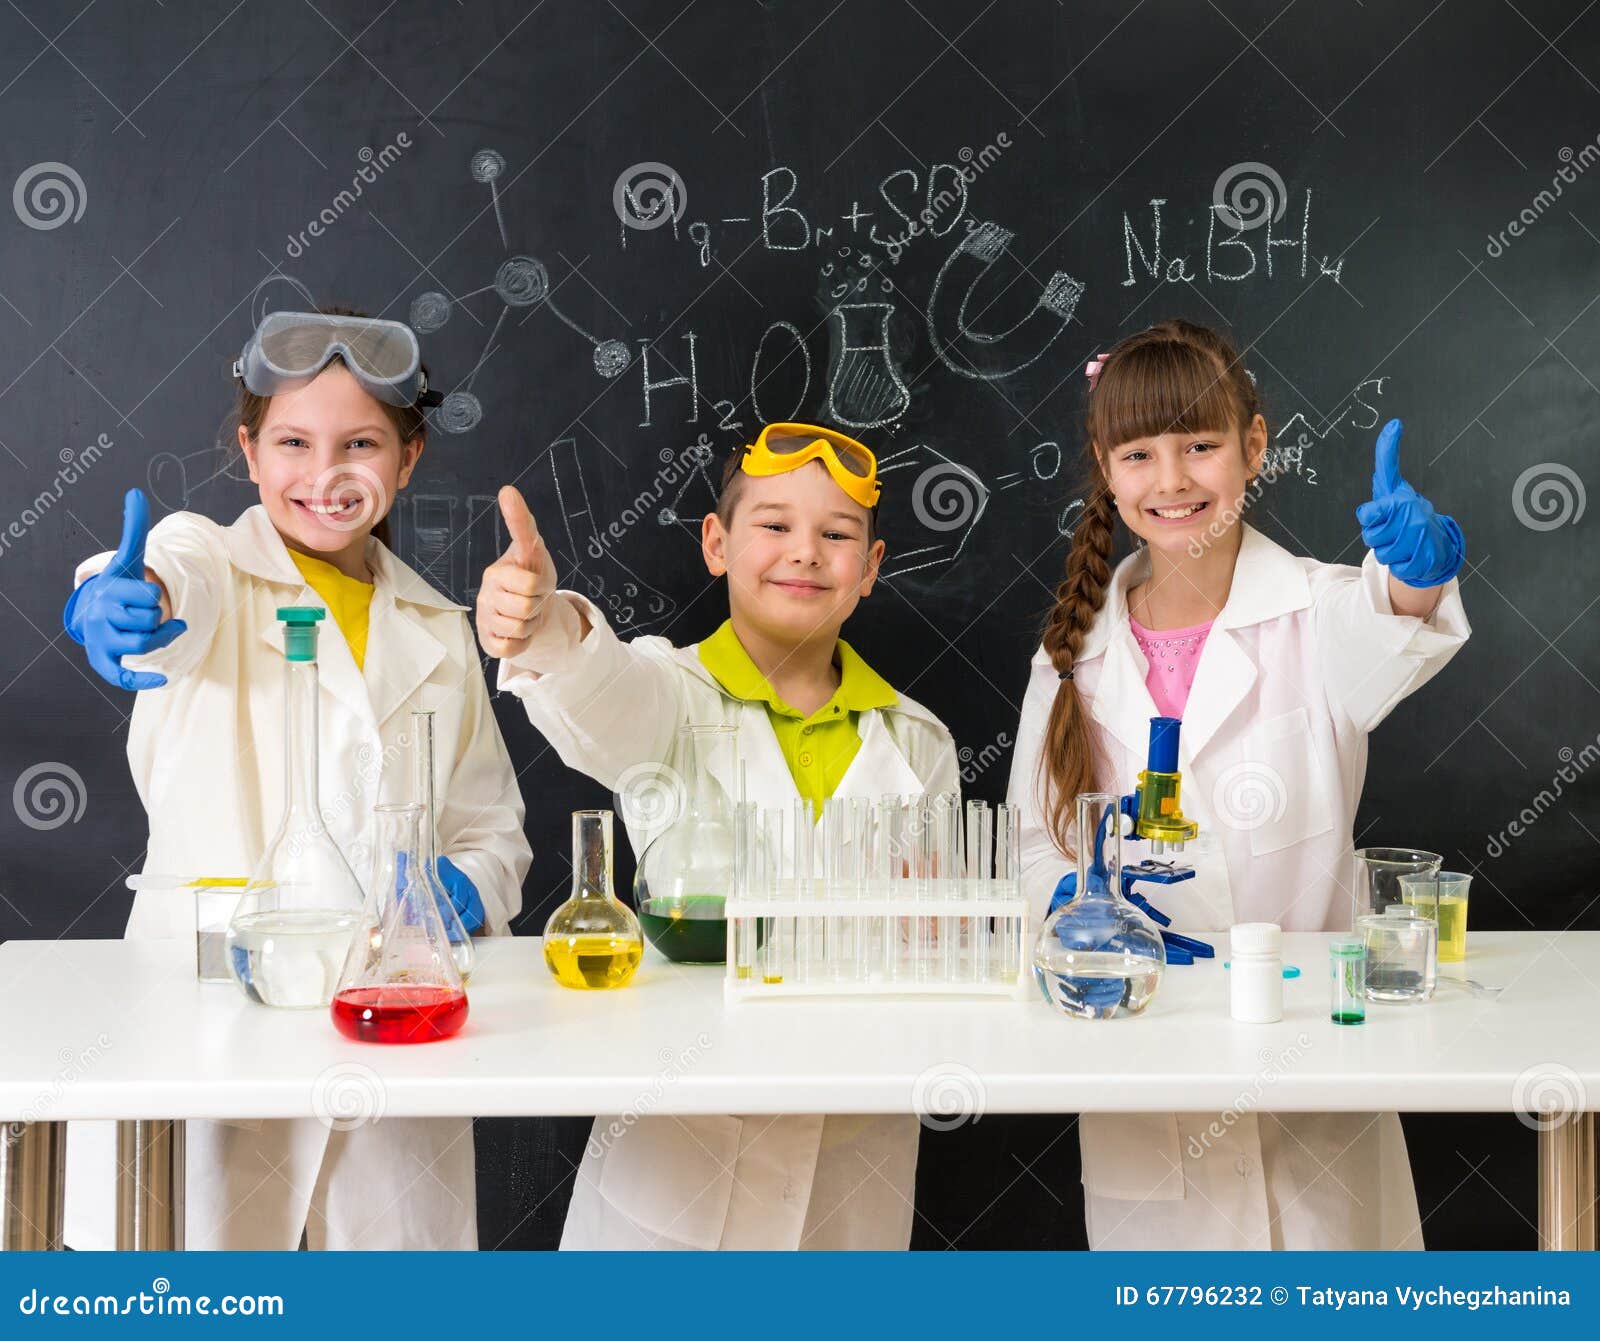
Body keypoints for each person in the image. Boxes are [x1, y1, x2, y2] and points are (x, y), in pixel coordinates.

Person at [61, 308, 531, 1250]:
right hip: (206, 1017)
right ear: (249, 451)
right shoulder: (212, 564)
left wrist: (464, 886)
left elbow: (496, 831)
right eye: (292, 443)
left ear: (408, 457)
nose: (324, 474)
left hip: (393, 1024)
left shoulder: (439, 630)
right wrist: (114, 600)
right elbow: (171, 575)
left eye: (361, 443)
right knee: (195, 1290)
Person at [1007, 319, 1470, 1250]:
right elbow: (1033, 841)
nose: (1171, 479)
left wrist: (1418, 574)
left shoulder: (1313, 609)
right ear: (1106, 470)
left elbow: (1386, 623)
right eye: (1139, 454)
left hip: (1313, 1056)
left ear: (1254, 447)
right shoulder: (1072, 654)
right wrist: (1069, 902)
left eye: (1200, 445)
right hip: (1146, 1055)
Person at [476, 422, 958, 1249]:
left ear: (872, 567)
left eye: (837, 534)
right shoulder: (671, 694)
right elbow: (600, 690)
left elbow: (940, 951)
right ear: (716, 543)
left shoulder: (918, 740)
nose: (804, 552)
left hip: (853, 1166)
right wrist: (546, 623)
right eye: (774, 524)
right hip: (677, 1177)